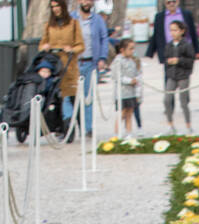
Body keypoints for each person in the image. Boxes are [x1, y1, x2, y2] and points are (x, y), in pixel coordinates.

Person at [39, 0, 84, 132]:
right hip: (54, 66)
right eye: (53, 7)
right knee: (58, 98)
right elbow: (41, 44)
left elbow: (81, 46)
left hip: (69, 67)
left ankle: (80, 124)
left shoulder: (73, 24)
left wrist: (71, 49)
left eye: (57, 6)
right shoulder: (48, 25)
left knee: (72, 97)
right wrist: (45, 47)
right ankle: (64, 127)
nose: (55, 9)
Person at [72, 1, 110, 136]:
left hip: (90, 63)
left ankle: (88, 128)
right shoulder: (72, 18)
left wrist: (102, 58)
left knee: (88, 96)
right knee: (70, 96)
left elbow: (104, 39)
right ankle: (68, 127)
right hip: (73, 64)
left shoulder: (98, 20)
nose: (86, 2)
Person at [146, 0, 199, 65]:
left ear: (178, 2)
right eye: (169, 2)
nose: (171, 4)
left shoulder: (186, 14)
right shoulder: (159, 17)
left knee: (183, 71)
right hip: (167, 49)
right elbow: (156, 34)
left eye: (174, 1)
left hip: (184, 48)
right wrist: (150, 52)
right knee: (169, 72)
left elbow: (193, 32)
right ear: (165, 3)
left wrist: (197, 50)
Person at [164, 17, 194, 131]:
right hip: (172, 75)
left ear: (182, 31)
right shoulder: (169, 45)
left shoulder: (186, 45)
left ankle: (188, 125)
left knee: (184, 102)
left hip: (183, 75)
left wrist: (179, 60)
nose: (173, 33)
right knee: (167, 100)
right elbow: (165, 58)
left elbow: (190, 61)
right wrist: (169, 63)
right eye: (171, 30)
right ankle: (170, 124)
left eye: (175, 30)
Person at [113, 35, 140, 139]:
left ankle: (129, 133)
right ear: (122, 50)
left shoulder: (131, 60)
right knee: (122, 113)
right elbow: (116, 76)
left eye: (133, 48)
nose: (132, 51)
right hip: (122, 92)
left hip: (131, 92)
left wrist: (137, 79)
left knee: (130, 112)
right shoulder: (118, 61)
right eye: (130, 48)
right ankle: (117, 133)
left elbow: (136, 72)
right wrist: (129, 81)